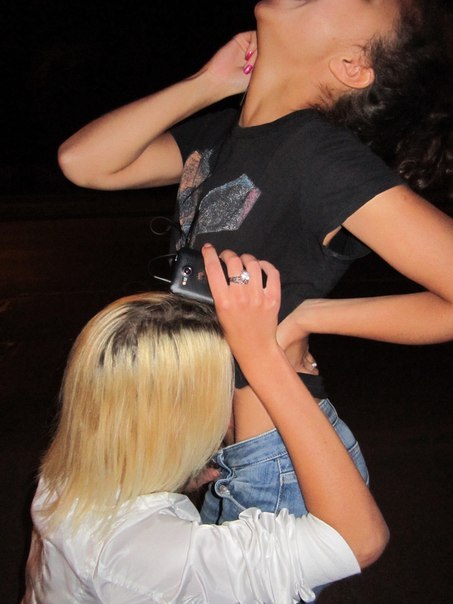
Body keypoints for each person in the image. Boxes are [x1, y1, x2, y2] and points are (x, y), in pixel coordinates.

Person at [56, 0, 453, 525]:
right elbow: (85, 163)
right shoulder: (220, 135)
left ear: (352, 66)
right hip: (213, 446)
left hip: (276, 459)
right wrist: (209, 83)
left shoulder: (322, 157)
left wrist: (304, 318)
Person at [22, 245, 388, 603]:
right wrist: (261, 357)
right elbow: (359, 541)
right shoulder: (147, 558)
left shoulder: (62, 477)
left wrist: (179, 473)